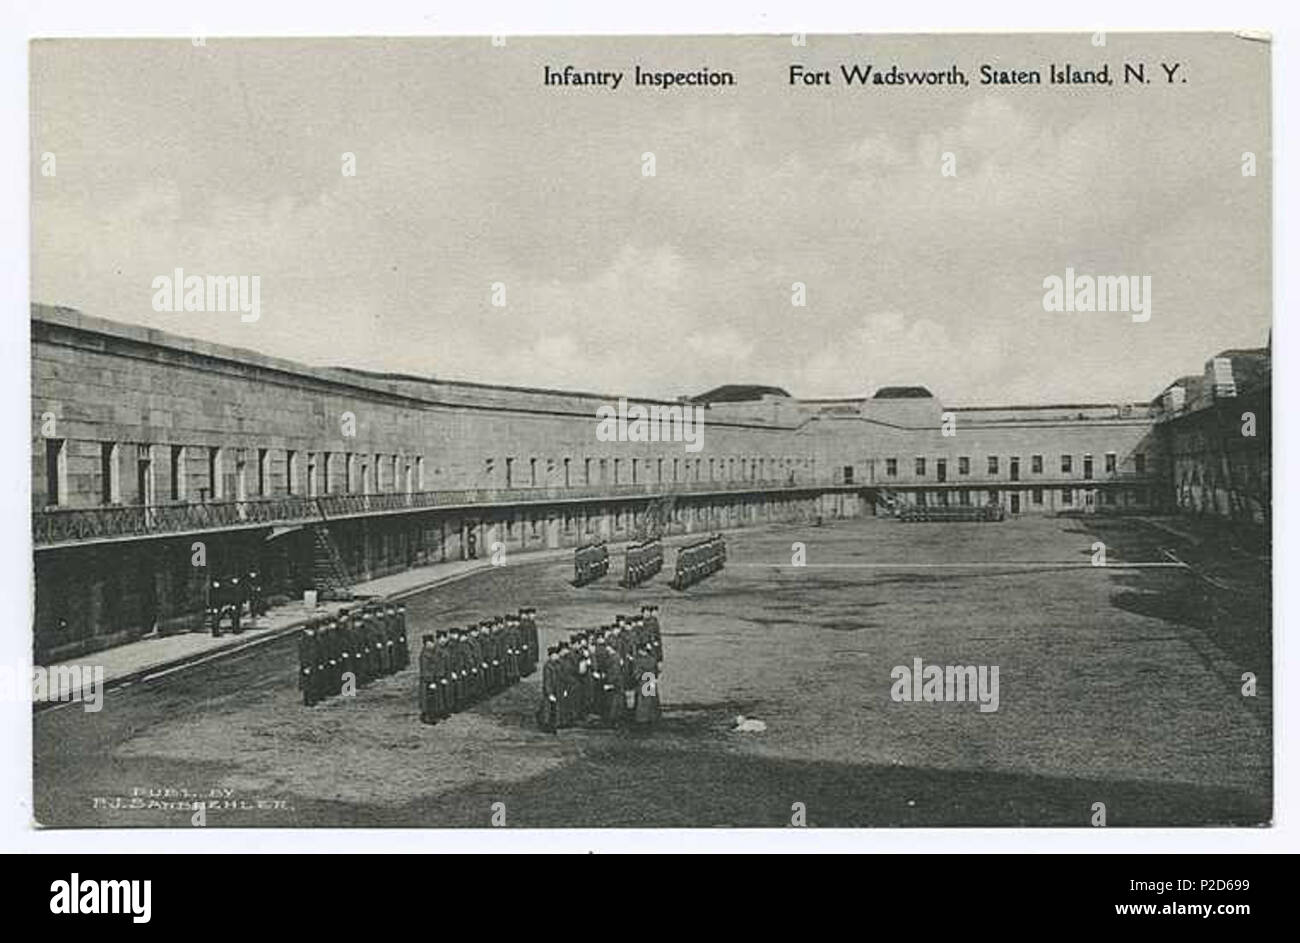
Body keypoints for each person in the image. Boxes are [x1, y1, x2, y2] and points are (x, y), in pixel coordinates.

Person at [633, 643, 661, 726]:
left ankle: (642, 718)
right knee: (652, 699)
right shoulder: (652, 659)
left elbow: (636, 673)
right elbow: (656, 671)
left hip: (643, 681)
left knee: (642, 700)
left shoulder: (639, 660)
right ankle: (653, 716)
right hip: (651, 680)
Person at [537, 646, 560, 733]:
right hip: (550, 691)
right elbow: (547, 681)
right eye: (554, 655)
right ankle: (546, 725)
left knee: (555, 709)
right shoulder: (548, 666)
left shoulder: (557, 664)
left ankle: (553, 725)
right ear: (550, 656)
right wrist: (549, 693)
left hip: (557, 689)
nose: (556, 656)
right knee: (547, 709)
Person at [419, 634, 437, 724]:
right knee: (427, 700)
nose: (432, 644)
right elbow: (425, 669)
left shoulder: (430, 653)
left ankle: (430, 716)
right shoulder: (425, 655)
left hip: (430, 680)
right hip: (427, 681)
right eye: (430, 643)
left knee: (431, 699)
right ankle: (427, 717)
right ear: (426, 644)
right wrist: (430, 681)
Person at [299, 623, 318, 706]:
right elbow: (303, 655)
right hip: (307, 665)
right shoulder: (304, 641)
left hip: (313, 663)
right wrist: (305, 666)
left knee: (313, 682)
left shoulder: (313, 639)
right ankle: (308, 700)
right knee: (308, 683)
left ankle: (312, 699)